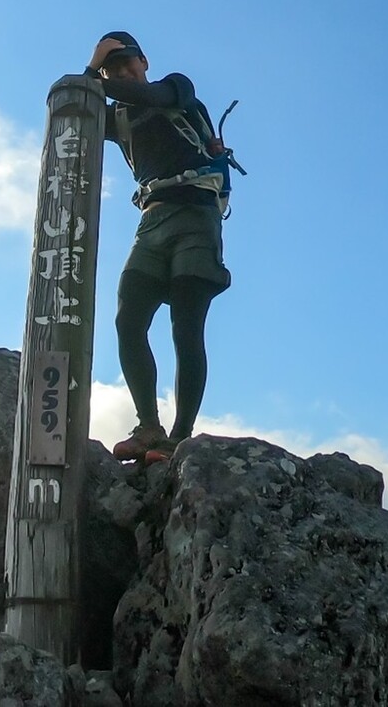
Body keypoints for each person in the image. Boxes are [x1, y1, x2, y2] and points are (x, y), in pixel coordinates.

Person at [83, 31, 232, 463]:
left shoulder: (176, 88)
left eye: (128, 62)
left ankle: (179, 437)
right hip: (151, 220)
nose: (124, 72)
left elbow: (147, 95)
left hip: (196, 215)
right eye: (114, 67)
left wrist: (99, 78)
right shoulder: (117, 116)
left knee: (186, 327)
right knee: (128, 321)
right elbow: (70, 105)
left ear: (144, 61)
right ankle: (148, 426)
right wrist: (91, 69)